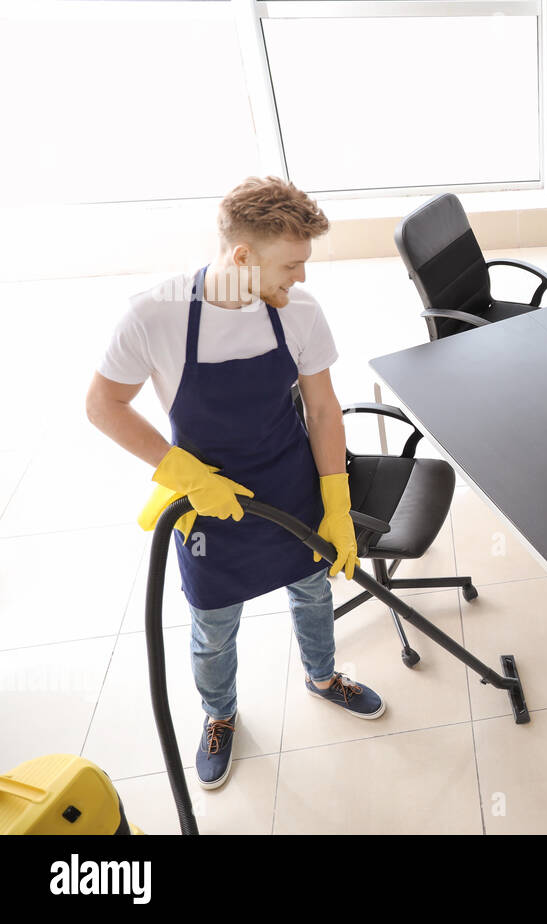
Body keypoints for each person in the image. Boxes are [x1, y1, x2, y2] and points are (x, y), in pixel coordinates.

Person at [85, 176, 384, 791]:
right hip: (207, 505)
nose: (301, 278)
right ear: (243, 258)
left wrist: (336, 501)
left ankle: (323, 677)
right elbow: (102, 405)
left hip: (291, 485)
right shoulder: (154, 315)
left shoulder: (299, 312)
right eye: (292, 264)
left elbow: (323, 410)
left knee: (312, 592)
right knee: (214, 624)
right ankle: (219, 715)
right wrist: (182, 474)